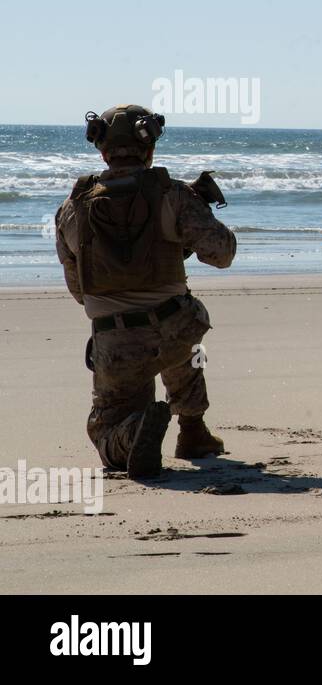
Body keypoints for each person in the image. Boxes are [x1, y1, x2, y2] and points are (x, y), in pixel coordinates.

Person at [55, 105, 236, 478]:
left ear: (102, 151)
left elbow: (79, 291)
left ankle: (132, 432)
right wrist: (196, 217)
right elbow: (222, 254)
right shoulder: (174, 195)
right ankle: (192, 428)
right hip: (176, 331)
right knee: (188, 330)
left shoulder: (73, 208)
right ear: (149, 148)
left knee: (105, 429)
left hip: (117, 343)